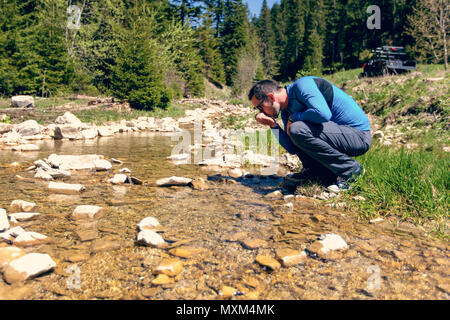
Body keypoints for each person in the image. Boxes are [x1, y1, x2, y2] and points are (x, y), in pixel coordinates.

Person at [248, 76, 371, 192]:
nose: (260, 112)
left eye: (260, 107)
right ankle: (317, 172)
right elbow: (292, 147)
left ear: (271, 97)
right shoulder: (286, 111)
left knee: (297, 129)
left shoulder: (302, 85)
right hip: (339, 136)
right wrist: (273, 126)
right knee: (296, 131)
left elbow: (323, 114)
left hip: (358, 136)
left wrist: (295, 117)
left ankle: (352, 171)